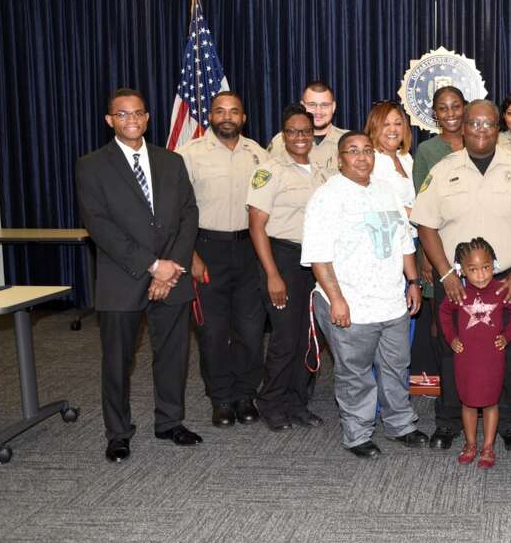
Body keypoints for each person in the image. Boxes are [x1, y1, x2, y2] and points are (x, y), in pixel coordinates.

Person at [412, 99, 511, 451]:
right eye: (473, 123)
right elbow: (426, 224)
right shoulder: (444, 169)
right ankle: (447, 422)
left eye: (488, 124)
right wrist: (445, 273)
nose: (481, 130)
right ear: (462, 128)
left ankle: (510, 421)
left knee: (505, 352)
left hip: (505, 280)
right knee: (450, 352)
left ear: (498, 129)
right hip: (455, 282)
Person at [75, 88, 201, 462]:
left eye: (138, 113)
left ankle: (169, 421)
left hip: (173, 275)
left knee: (173, 355)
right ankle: (118, 432)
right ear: (109, 120)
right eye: (122, 114)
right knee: (117, 360)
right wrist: (151, 265)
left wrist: (170, 267)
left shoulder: (172, 162)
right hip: (122, 277)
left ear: (147, 118)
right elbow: (99, 225)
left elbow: (188, 214)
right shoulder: (91, 165)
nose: (132, 120)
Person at [302, 131, 429, 458]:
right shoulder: (328, 196)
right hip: (350, 304)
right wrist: (337, 299)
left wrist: (412, 282)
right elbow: (319, 256)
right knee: (355, 373)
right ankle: (357, 434)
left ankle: (401, 424)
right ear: (340, 158)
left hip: (390, 301)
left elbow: (404, 243)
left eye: (366, 151)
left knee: (396, 366)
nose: (361, 157)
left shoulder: (385, 192)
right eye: (352, 151)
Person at [176, 92, 268, 428]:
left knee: (250, 329)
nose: (226, 117)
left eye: (234, 112)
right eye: (220, 111)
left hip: (248, 250)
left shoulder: (259, 154)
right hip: (206, 249)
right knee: (212, 331)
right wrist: (192, 256)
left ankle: (245, 394)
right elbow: (178, 212)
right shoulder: (188, 155)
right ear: (209, 115)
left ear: (243, 117)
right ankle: (222, 398)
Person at [247, 104, 330, 431]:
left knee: (308, 337)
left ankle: (297, 401)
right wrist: (272, 275)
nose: (300, 137)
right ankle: (270, 401)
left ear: (313, 135)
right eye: (293, 131)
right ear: (283, 135)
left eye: (306, 132)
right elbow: (256, 225)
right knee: (284, 337)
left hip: (315, 261)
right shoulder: (269, 171)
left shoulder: (321, 170)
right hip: (281, 258)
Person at [438, 238, 511, 468]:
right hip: (466, 359)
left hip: (492, 359)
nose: (480, 275)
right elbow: (444, 314)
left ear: (494, 264)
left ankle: (488, 447)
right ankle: (470, 444)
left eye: (486, 267)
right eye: (473, 269)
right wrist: (452, 338)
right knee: (467, 402)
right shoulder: (458, 291)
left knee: (490, 403)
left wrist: (507, 335)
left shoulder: (501, 289)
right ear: (461, 270)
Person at [409, 85, 466, 382]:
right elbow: (422, 205)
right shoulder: (427, 151)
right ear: (434, 114)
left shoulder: (479, 143)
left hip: (474, 250)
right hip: (437, 248)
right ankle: (442, 386)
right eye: (443, 108)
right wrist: (427, 259)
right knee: (440, 322)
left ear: (465, 107)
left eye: (456, 106)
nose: (450, 113)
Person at [267, 81, 347, 176]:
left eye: (324, 105)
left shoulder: (349, 141)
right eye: (312, 105)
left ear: (333, 107)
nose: (318, 111)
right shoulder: (281, 141)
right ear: (303, 105)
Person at [366, 100, 415, 218]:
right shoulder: (369, 161)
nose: (392, 129)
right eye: (385, 124)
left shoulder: (406, 158)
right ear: (374, 128)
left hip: (414, 233)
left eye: (398, 124)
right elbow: (379, 204)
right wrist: (420, 217)